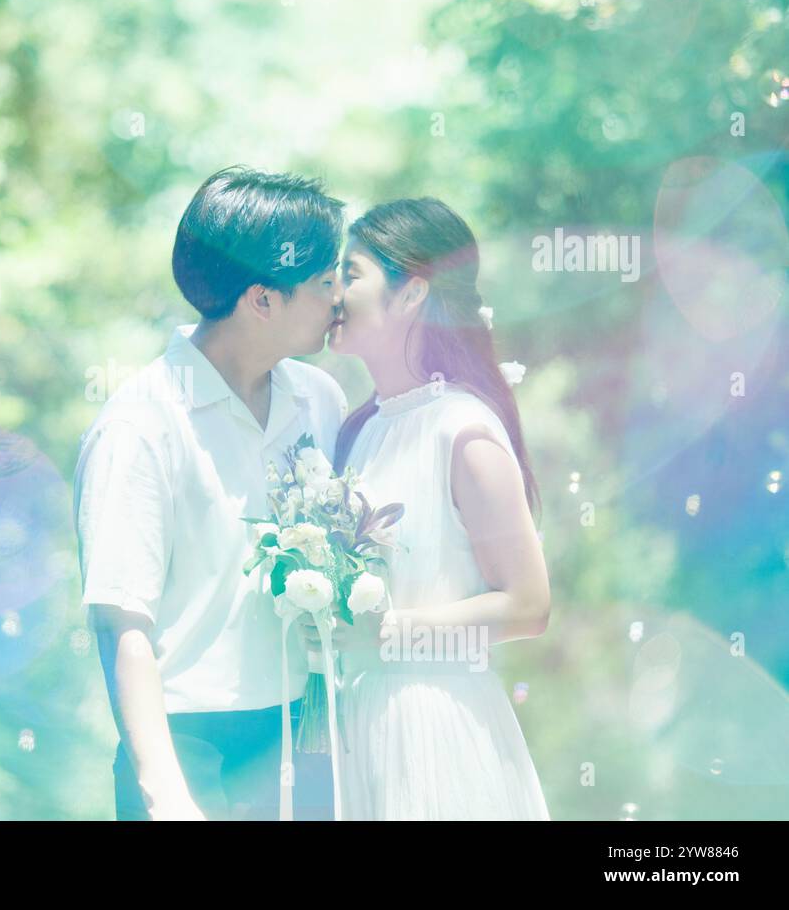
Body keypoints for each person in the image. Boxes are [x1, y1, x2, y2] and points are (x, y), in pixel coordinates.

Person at [73, 165, 349, 819]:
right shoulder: (141, 424)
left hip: (302, 730)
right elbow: (122, 624)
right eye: (324, 282)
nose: (339, 299)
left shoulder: (319, 400)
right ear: (262, 299)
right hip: (190, 745)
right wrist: (164, 788)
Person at [304, 196, 551, 819]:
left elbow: (527, 605)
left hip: (437, 730)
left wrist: (385, 634)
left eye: (350, 273)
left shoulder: (463, 430)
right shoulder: (357, 431)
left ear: (411, 293)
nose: (333, 291)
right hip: (358, 726)